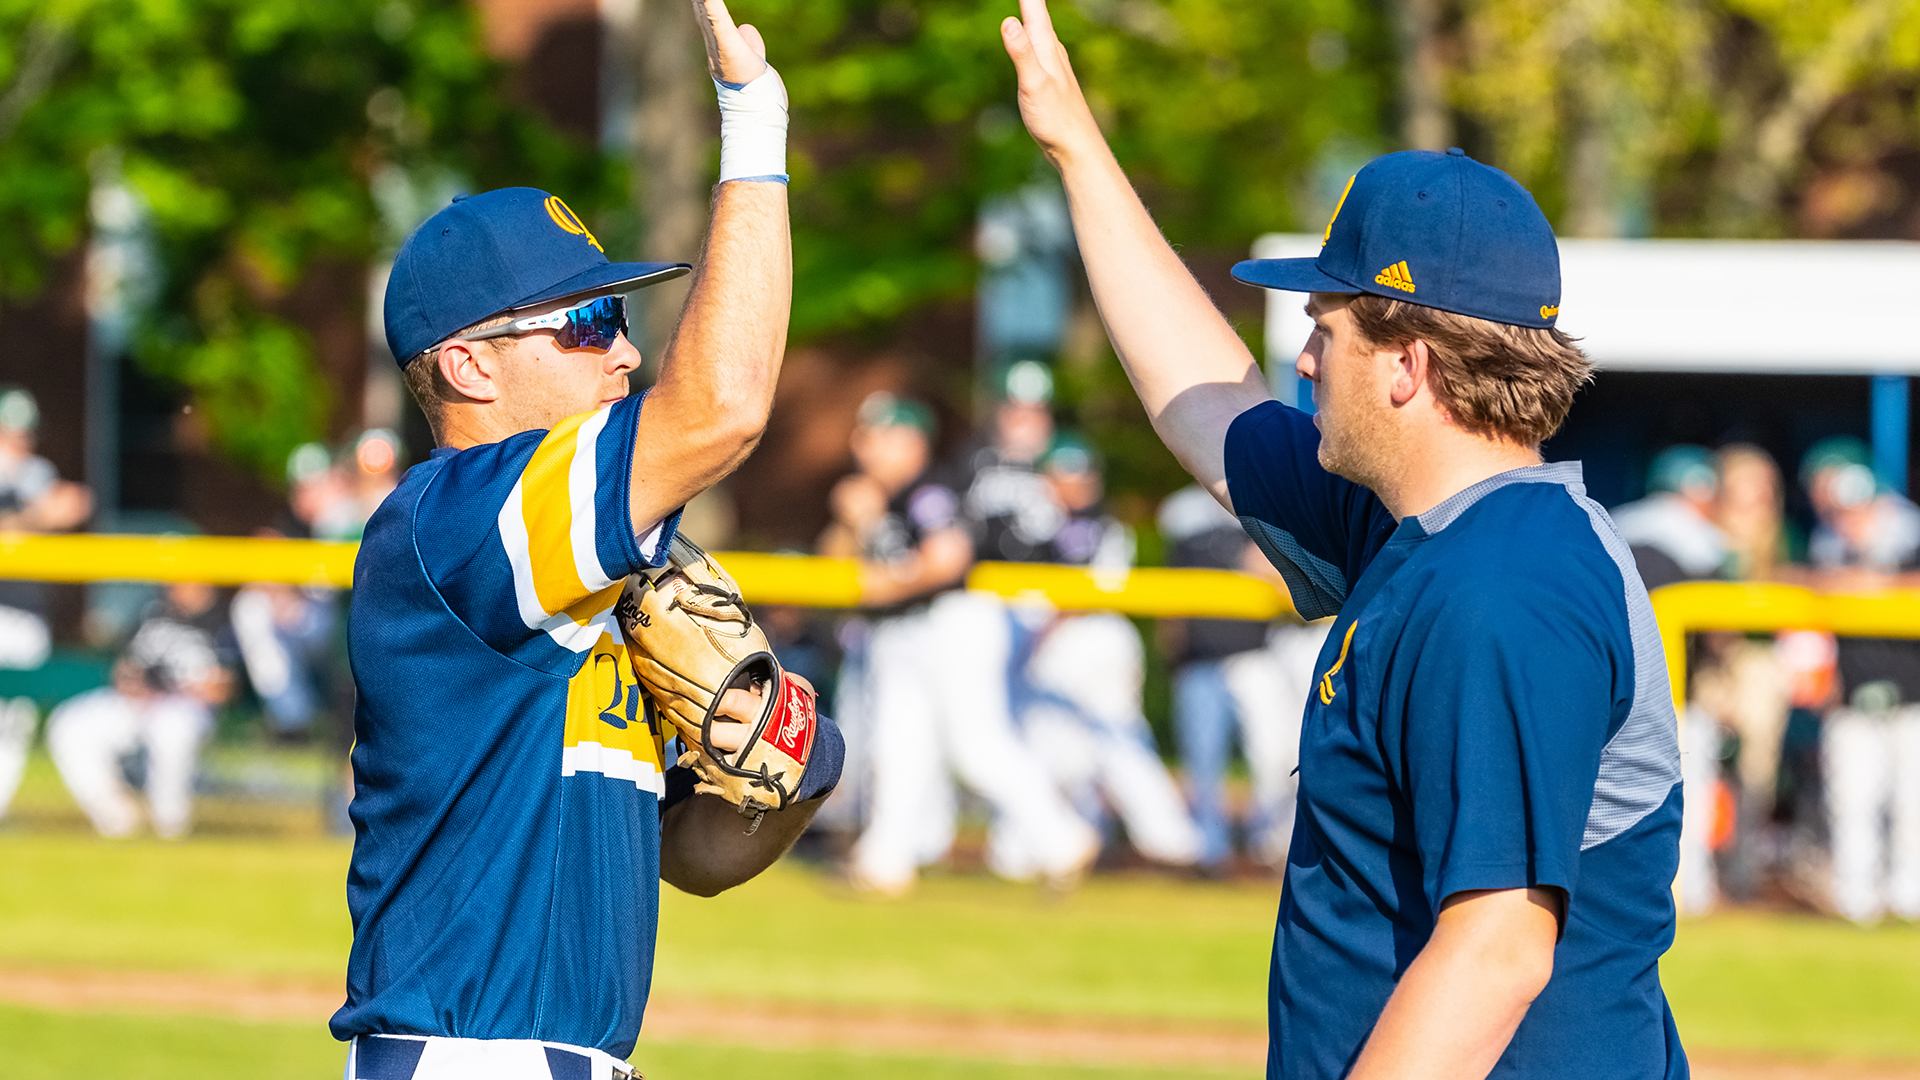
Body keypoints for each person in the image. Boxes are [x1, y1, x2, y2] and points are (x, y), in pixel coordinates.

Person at [1000, 4, 1686, 1075]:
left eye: (1324, 333)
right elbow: (1208, 409)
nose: (1305, 363)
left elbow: (1499, 946)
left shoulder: (1501, 591)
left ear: (1407, 364)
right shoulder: (1418, 530)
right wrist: (1076, 149)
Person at [334, 6, 845, 1077]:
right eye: (586, 324)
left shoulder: (588, 571)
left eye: (616, 316)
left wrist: (803, 758)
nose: (623, 353)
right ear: (470, 366)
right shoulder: (455, 524)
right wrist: (754, 127)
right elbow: (723, 410)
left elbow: (693, 859)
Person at [822, 392, 1096, 895]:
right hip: (904, 629)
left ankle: (1063, 837)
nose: (865, 445)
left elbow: (948, 556)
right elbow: (833, 563)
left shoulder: (930, 487)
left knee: (977, 746)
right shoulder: (873, 494)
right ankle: (885, 859)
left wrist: (884, 584)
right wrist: (852, 520)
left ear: (911, 440)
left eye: (879, 435)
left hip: (950, 621)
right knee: (897, 745)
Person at [994, 434, 1202, 873]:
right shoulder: (1037, 522)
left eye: (1081, 477)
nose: (1076, 485)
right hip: (1060, 645)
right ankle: (1036, 846)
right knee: (1051, 745)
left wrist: (1037, 635)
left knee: (1118, 740)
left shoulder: (1103, 524)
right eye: (1065, 477)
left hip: (1094, 639)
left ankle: (1171, 842)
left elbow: (1087, 592)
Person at [1158, 483, 1328, 875]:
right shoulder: (1183, 515)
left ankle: (1269, 842)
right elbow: (1173, 589)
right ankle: (1210, 851)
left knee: (1273, 753)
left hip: (1256, 654)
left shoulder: (1267, 507)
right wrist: (1175, 652)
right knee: (1202, 759)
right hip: (1201, 658)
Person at [1798, 436, 1920, 924]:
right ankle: (1857, 900)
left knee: (1912, 802)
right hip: (1850, 692)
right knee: (1852, 798)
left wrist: (1862, 584)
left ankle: (1909, 896)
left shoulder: (1909, 532)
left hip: (1913, 692)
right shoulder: (1826, 540)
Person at [47, 581, 233, 839]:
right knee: (69, 724)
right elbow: (123, 668)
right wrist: (134, 684)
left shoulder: (222, 621)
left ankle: (170, 825)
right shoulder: (152, 613)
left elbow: (223, 688)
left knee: (172, 727)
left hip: (185, 706)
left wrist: (175, 686)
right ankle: (117, 818)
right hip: (138, 703)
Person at [0, 386, 95, 820]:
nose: (20, 440)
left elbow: (70, 508)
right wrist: (34, 519)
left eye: (25, 432)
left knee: (13, 722)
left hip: (25, 612)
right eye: (11, 431)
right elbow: (46, 514)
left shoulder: (36, 471)